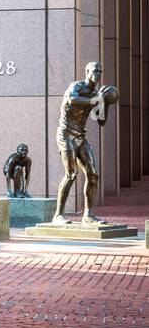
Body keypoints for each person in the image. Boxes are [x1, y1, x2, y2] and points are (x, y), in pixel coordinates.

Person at [53, 61, 118, 224]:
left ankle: (88, 215)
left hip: (81, 136)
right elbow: (72, 99)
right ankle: (58, 215)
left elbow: (100, 121)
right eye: (95, 70)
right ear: (87, 72)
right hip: (65, 134)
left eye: (100, 71)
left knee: (93, 174)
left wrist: (105, 103)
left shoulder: (97, 94)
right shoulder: (77, 86)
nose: (98, 73)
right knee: (71, 174)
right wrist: (96, 100)